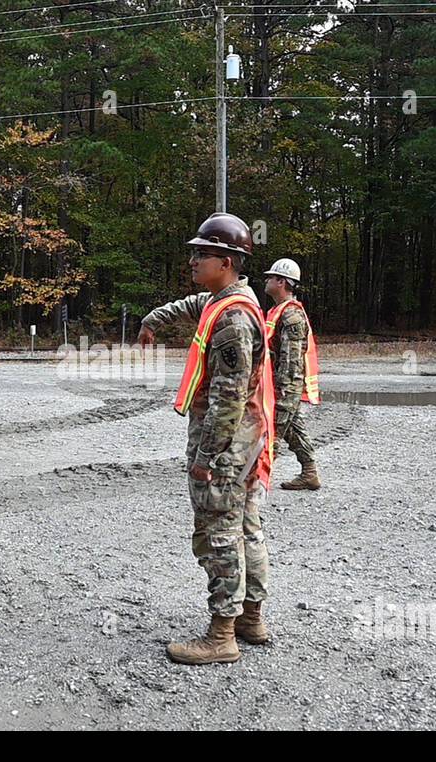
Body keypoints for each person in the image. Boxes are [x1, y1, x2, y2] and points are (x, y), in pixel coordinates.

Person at [137, 213, 276, 664]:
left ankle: (222, 636)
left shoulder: (233, 320)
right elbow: (190, 304)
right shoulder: (226, 300)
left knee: (218, 532)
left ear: (229, 261)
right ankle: (250, 619)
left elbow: (227, 399)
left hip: (228, 442)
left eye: (203, 254)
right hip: (248, 437)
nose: (194, 260)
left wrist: (206, 456)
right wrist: (153, 317)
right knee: (247, 527)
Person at [261, 258, 321, 490]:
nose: (266, 280)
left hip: (285, 385)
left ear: (282, 282)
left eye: (271, 277)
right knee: (293, 428)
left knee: (271, 432)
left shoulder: (291, 315)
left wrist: (282, 390)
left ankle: (256, 480)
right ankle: (310, 473)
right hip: (279, 384)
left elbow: (291, 359)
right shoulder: (278, 311)